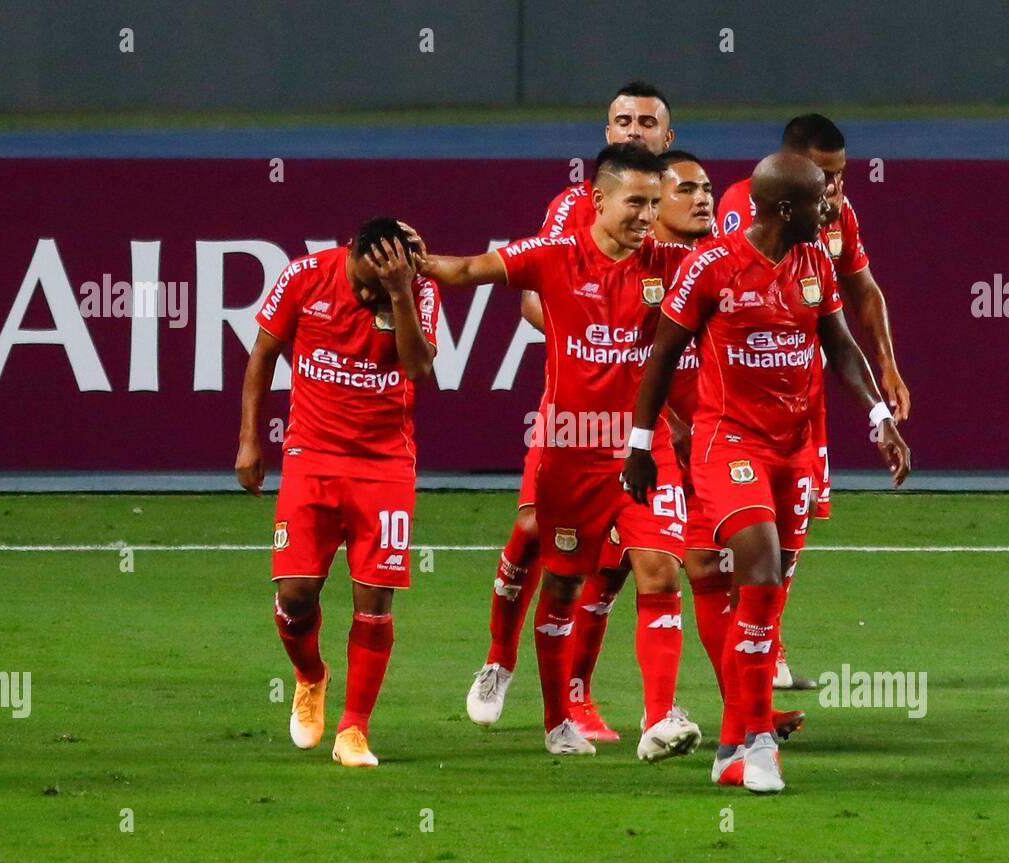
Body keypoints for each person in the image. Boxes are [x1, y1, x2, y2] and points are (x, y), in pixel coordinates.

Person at [623, 153, 911, 793]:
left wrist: (877, 418)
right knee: (756, 566)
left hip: (795, 450)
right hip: (728, 443)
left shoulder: (814, 264)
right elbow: (663, 352)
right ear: (785, 208)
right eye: (818, 200)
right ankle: (756, 744)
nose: (829, 209)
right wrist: (641, 445)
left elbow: (839, 343)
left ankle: (730, 744)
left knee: (765, 596)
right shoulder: (713, 266)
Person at [423, 144, 700, 760]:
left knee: (660, 568)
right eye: (635, 203)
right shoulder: (554, 256)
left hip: (641, 442)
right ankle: (550, 715)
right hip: (570, 443)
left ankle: (660, 717)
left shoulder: (672, 262)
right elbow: (468, 270)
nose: (646, 216)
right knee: (563, 588)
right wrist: (414, 264)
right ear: (598, 201)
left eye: (655, 204)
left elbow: (728, 268)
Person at [467, 82, 676, 741]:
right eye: (622, 119)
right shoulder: (571, 211)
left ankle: (577, 703)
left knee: (619, 564)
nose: (634, 129)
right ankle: (500, 659)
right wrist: (586, 326)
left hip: (640, 425)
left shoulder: (677, 214)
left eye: (647, 122)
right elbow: (540, 289)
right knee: (533, 531)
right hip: (572, 418)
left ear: (668, 139)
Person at [715, 112, 910, 690]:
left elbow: (861, 293)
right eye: (825, 177)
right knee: (736, 542)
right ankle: (739, 663)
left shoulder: (838, 216)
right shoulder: (739, 210)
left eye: (843, 175)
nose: (837, 190)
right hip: (733, 407)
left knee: (791, 535)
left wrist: (887, 367)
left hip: (800, 403)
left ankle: (764, 646)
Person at [235, 218, 438, 768]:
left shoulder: (414, 287)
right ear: (350, 251)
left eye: (383, 283)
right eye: (367, 280)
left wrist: (399, 294)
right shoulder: (302, 276)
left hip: (385, 464)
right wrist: (250, 440)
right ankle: (310, 675)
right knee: (296, 594)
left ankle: (354, 729)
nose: (368, 293)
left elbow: (418, 367)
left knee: (374, 601)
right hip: (311, 457)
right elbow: (262, 355)